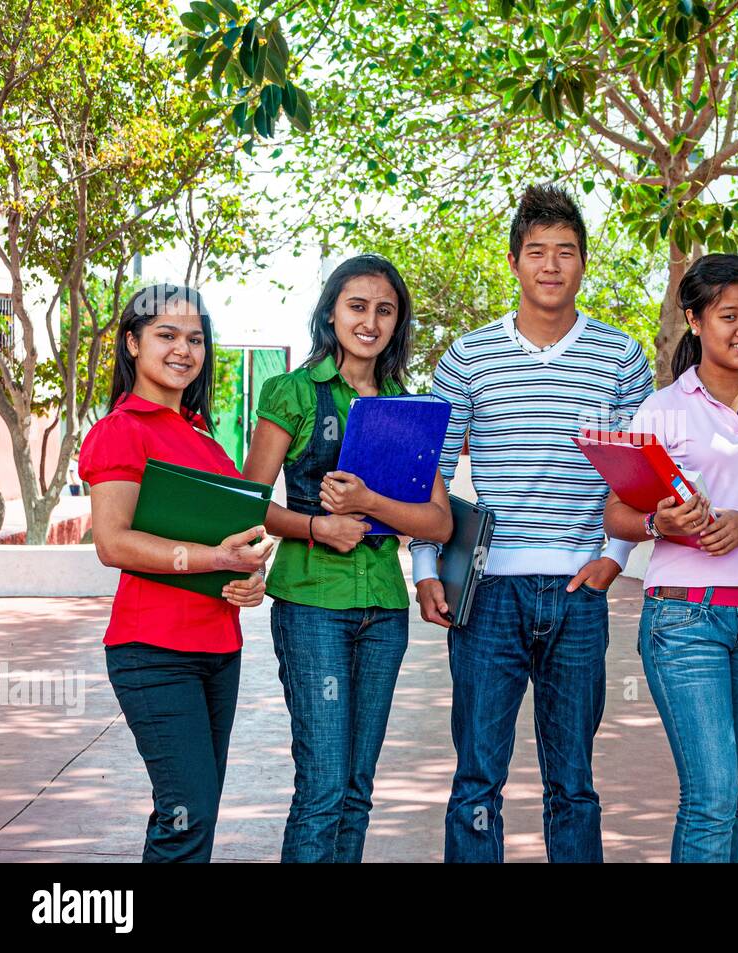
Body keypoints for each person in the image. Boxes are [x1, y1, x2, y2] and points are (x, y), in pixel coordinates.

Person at [410, 184, 655, 863]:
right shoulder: (467, 356)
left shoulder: (621, 356)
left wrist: (615, 556)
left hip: (580, 592)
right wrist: (426, 567)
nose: (552, 265)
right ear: (514, 261)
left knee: (572, 783)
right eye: (538, 251)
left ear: (583, 265)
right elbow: (428, 468)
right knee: (476, 780)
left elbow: (638, 472)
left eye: (567, 252)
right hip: (486, 592)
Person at [603, 253, 738, 862]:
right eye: (729, 316)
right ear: (695, 320)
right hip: (684, 622)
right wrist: (659, 523)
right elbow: (617, 514)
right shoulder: (662, 408)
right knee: (711, 796)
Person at [243, 254, 453, 863]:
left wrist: (369, 503)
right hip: (312, 606)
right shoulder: (293, 391)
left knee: (358, 791)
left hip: (384, 611)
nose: (370, 321)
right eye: (357, 306)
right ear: (331, 312)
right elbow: (252, 503)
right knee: (325, 787)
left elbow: (437, 520)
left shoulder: (407, 407)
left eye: (385, 310)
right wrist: (316, 525)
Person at [81, 284, 272, 862]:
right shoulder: (122, 429)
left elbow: (229, 543)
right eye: (166, 335)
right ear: (133, 343)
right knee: (186, 811)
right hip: (153, 650)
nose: (184, 349)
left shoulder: (205, 440)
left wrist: (246, 580)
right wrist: (217, 557)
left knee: (196, 810)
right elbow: (113, 544)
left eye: (195, 339)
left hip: (218, 645)